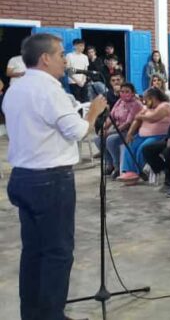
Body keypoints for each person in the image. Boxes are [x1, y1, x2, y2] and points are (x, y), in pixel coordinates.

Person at [4, 33, 108, 320]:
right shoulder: (50, 91)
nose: (65, 60)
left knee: (33, 252)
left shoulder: (16, 89)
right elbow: (78, 131)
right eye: (61, 54)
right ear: (45, 58)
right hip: (50, 180)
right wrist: (93, 113)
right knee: (57, 253)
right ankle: (52, 316)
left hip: (22, 177)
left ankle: (32, 314)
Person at [118, 87, 170, 183]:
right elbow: (136, 120)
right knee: (130, 145)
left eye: (146, 99)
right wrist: (130, 133)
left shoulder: (165, 106)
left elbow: (153, 118)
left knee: (142, 148)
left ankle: (138, 172)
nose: (144, 101)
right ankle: (129, 171)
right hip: (142, 135)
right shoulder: (146, 108)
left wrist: (140, 116)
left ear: (153, 98)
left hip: (158, 136)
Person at [93, 82, 143, 175]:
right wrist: (104, 128)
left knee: (111, 140)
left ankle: (117, 166)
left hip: (130, 132)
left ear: (133, 93)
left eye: (127, 92)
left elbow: (127, 123)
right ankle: (110, 164)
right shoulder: (120, 101)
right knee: (98, 139)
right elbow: (111, 117)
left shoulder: (136, 104)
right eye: (122, 92)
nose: (124, 94)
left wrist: (110, 132)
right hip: (117, 129)